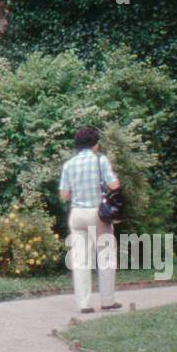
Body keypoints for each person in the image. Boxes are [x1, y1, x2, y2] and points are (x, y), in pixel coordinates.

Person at [59, 126, 122, 313]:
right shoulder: (100, 160)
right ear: (95, 144)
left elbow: (64, 195)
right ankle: (107, 301)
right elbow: (114, 184)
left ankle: (84, 304)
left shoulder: (69, 165)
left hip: (77, 214)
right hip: (98, 214)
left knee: (80, 260)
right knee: (106, 256)